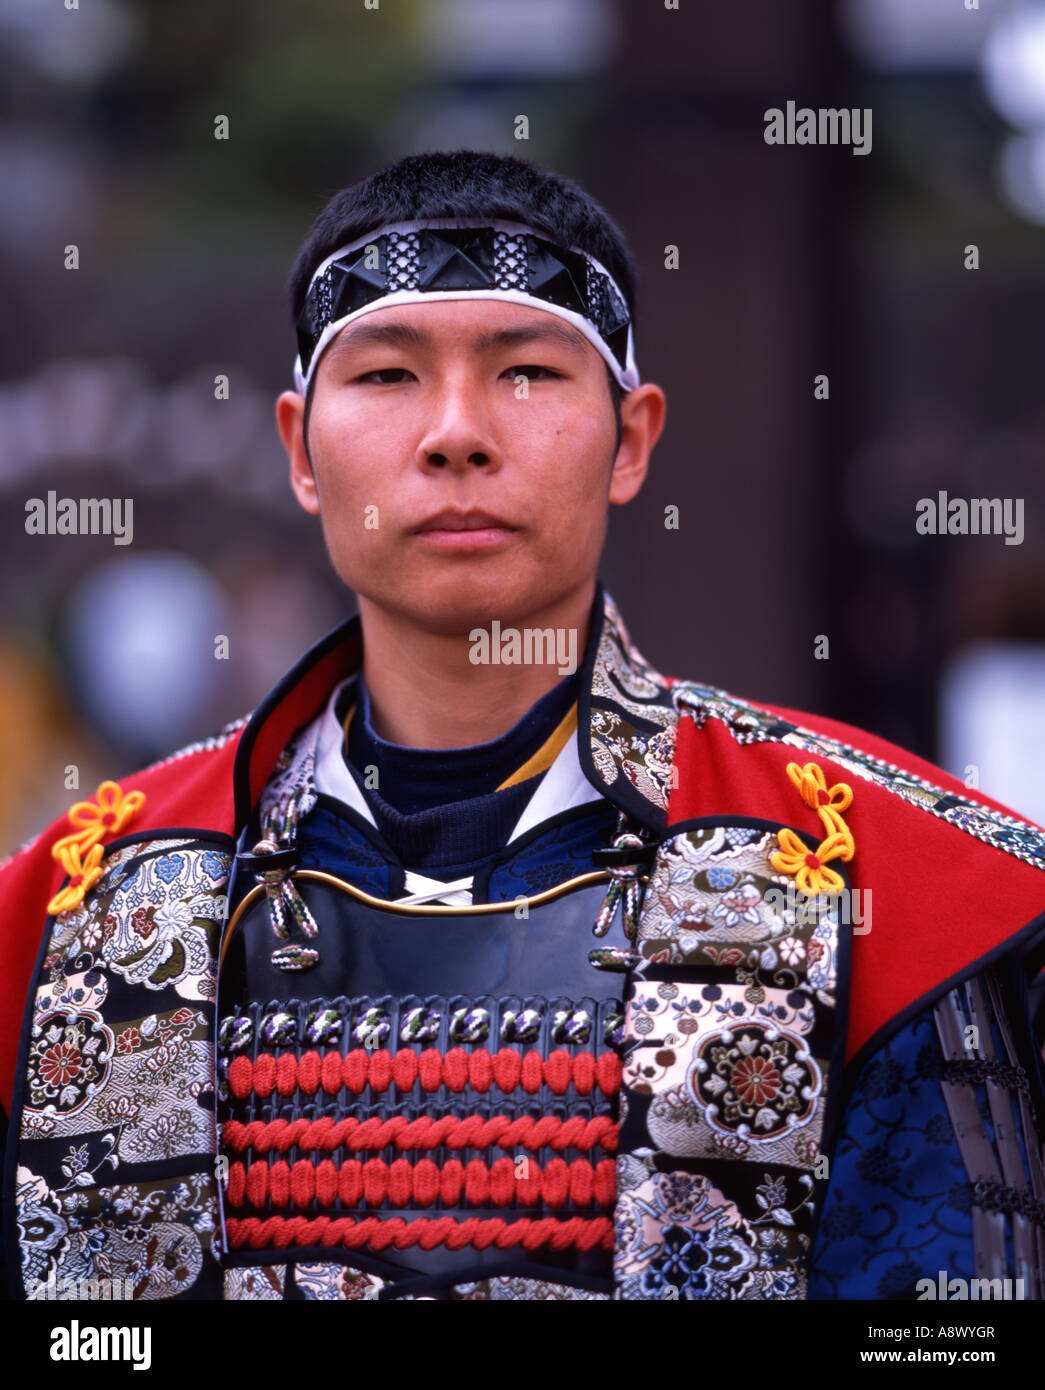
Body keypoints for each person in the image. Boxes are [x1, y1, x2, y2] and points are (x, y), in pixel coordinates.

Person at [3, 148, 1045, 1303]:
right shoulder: (78, 900)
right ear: (299, 449)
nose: (456, 433)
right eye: (389, 376)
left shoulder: (895, 883)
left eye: (529, 373)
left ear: (632, 439)